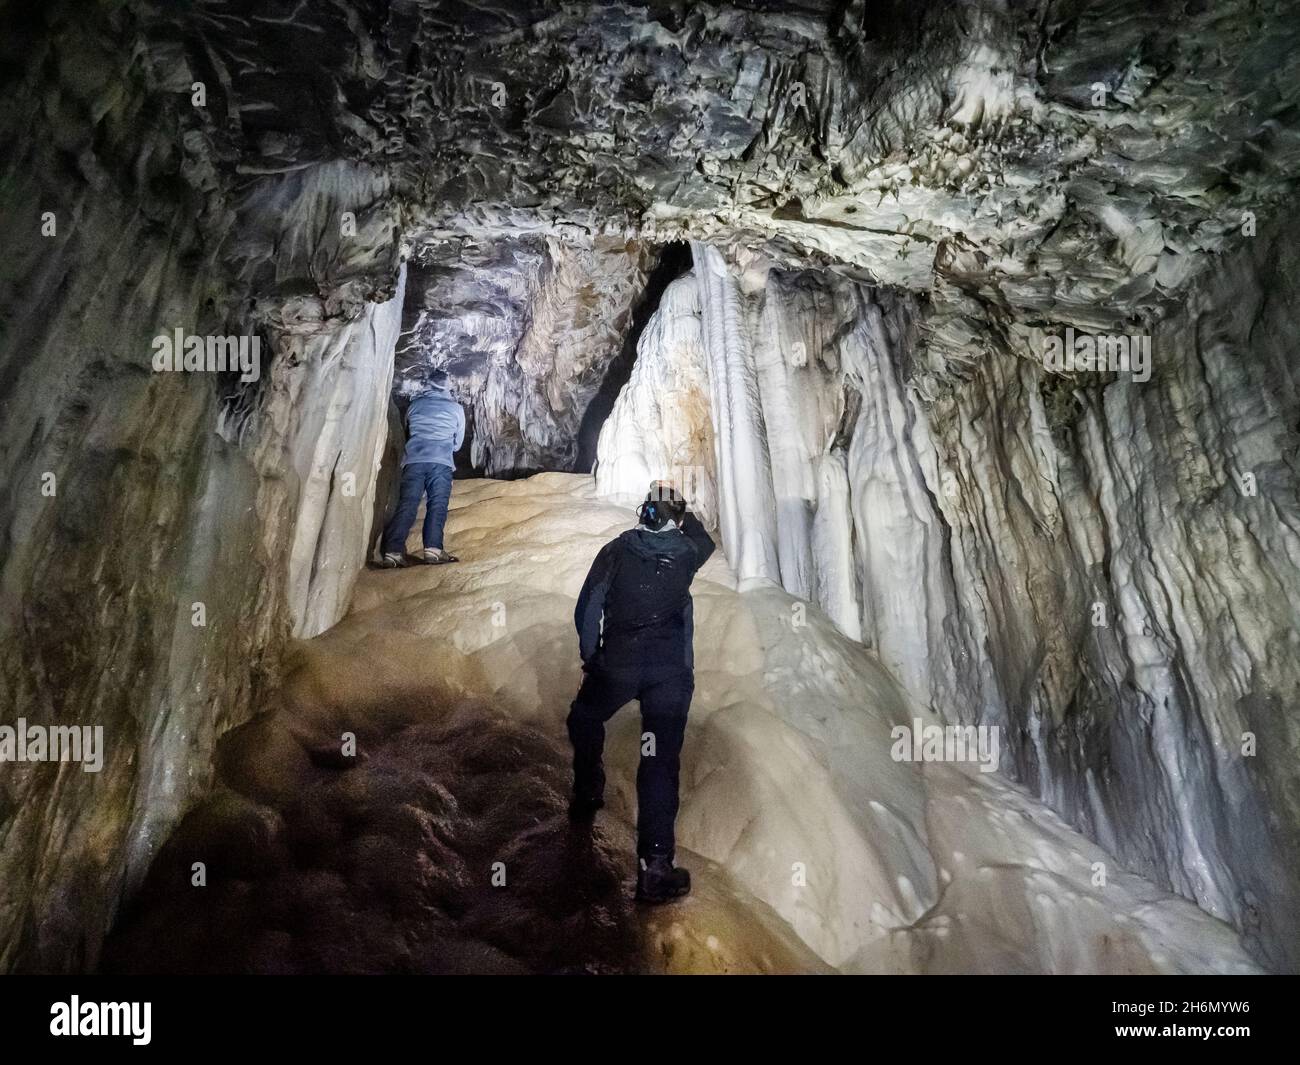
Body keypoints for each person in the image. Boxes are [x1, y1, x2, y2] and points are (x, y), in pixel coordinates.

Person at [566, 481, 715, 903]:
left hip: (618, 664)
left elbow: (588, 608)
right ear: (676, 521)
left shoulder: (616, 551)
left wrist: (591, 657)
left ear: (643, 514)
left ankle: (588, 787)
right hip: (669, 672)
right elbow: (703, 540)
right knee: (659, 762)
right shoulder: (687, 553)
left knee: (585, 716)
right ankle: (655, 867)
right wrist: (684, 511)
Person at [379, 370, 465, 567]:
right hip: (440, 462)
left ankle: (393, 551)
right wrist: (444, 446)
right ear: (446, 386)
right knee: (437, 504)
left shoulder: (415, 405)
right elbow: (458, 443)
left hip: (414, 461)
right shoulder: (455, 408)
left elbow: (408, 429)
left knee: (408, 503)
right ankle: (433, 550)